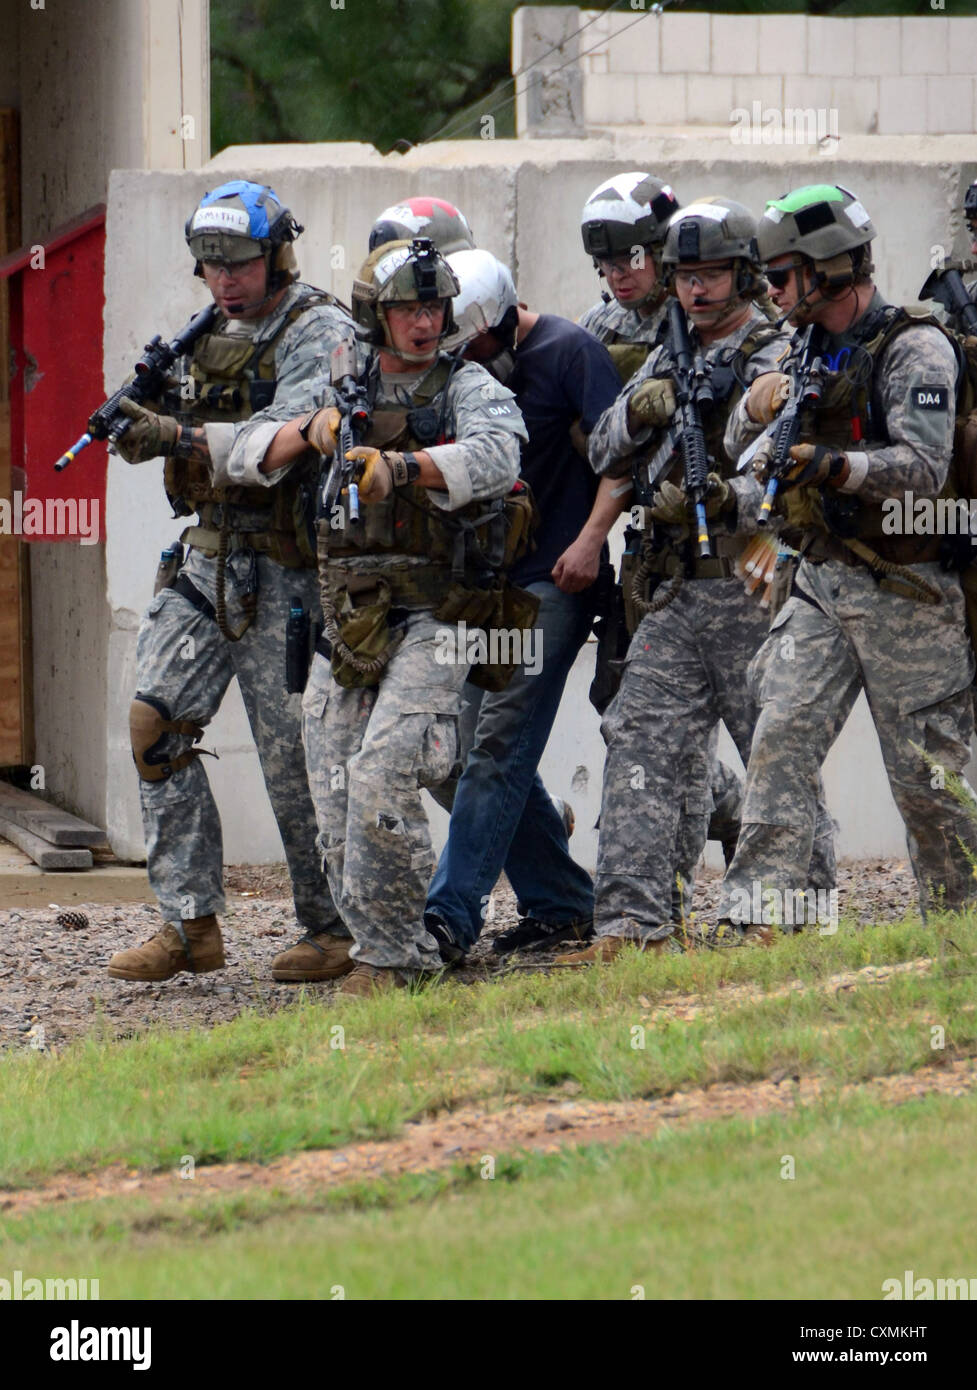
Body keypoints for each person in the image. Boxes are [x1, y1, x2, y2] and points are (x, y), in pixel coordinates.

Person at [225, 237, 527, 995]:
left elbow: (499, 456)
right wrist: (313, 431)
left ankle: (396, 959)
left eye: (432, 306)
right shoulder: (340, 380)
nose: (422, 323)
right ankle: (377, 941)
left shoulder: (468, 384)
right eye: (405, 308)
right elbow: (248, 452)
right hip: (349, 618)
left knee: (385, 773)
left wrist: (404, 467)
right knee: (331, 788)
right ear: (376, 313)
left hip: (439, 610)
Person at [107, 180, 355, 984]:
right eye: (210, 265)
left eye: (240, 263)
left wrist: (176, 433)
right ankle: (188, 925)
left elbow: (280, 439)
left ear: (276, 255)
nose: (224, 279)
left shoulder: (319, 330)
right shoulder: (204, 332)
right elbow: (177, 425)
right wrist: (137, 423)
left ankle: (332, 927)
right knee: (155, 726)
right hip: (209, 558)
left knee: (296, 762)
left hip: (288, 572)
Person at [716, 183, 977, 937]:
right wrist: (757, 406)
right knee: (780, 739)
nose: (769, 290)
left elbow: (923, 469)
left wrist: (832, 468)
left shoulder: (915, 346)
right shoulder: (803, 346)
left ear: (827, 269)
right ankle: (762, 915)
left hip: (909, 593)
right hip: (822, 583)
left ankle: (957, 930)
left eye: (782, 275)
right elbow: (749, 448)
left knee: (929, 784)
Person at [562, 197, 815, 962]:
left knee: (772, 749)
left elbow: (789, 452)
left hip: (749, 574)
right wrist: (641, 408)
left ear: (741, 274)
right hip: (669, 584)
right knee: (639, 740)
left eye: (710, 275)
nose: (695, 291)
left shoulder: (780, 351)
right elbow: (605, 449)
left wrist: (729, 498)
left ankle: (790, 908)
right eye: (684, 277)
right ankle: (632, 925)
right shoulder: (667, 352)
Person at [423, 249, 624, 957]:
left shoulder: (571, 351)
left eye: (473, 343)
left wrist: (591, 541)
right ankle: (561, 903)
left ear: (504, 317)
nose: (466, 357)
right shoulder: (463, 370)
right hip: (486, 591)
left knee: (497, 748)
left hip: (554, 582)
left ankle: (446, 918)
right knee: (460, 757)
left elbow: (620, 458)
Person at [580, 172, 743, 898]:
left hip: (742, 550)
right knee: (633, 714)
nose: (618, 277)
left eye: (630, 260)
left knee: (753, 725)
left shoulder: (748, 330)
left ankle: (748, 855)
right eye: (605, 265)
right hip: (651, 549)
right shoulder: (604, 333)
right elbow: (598, 447)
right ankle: (649, 906)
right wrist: (643, 407)